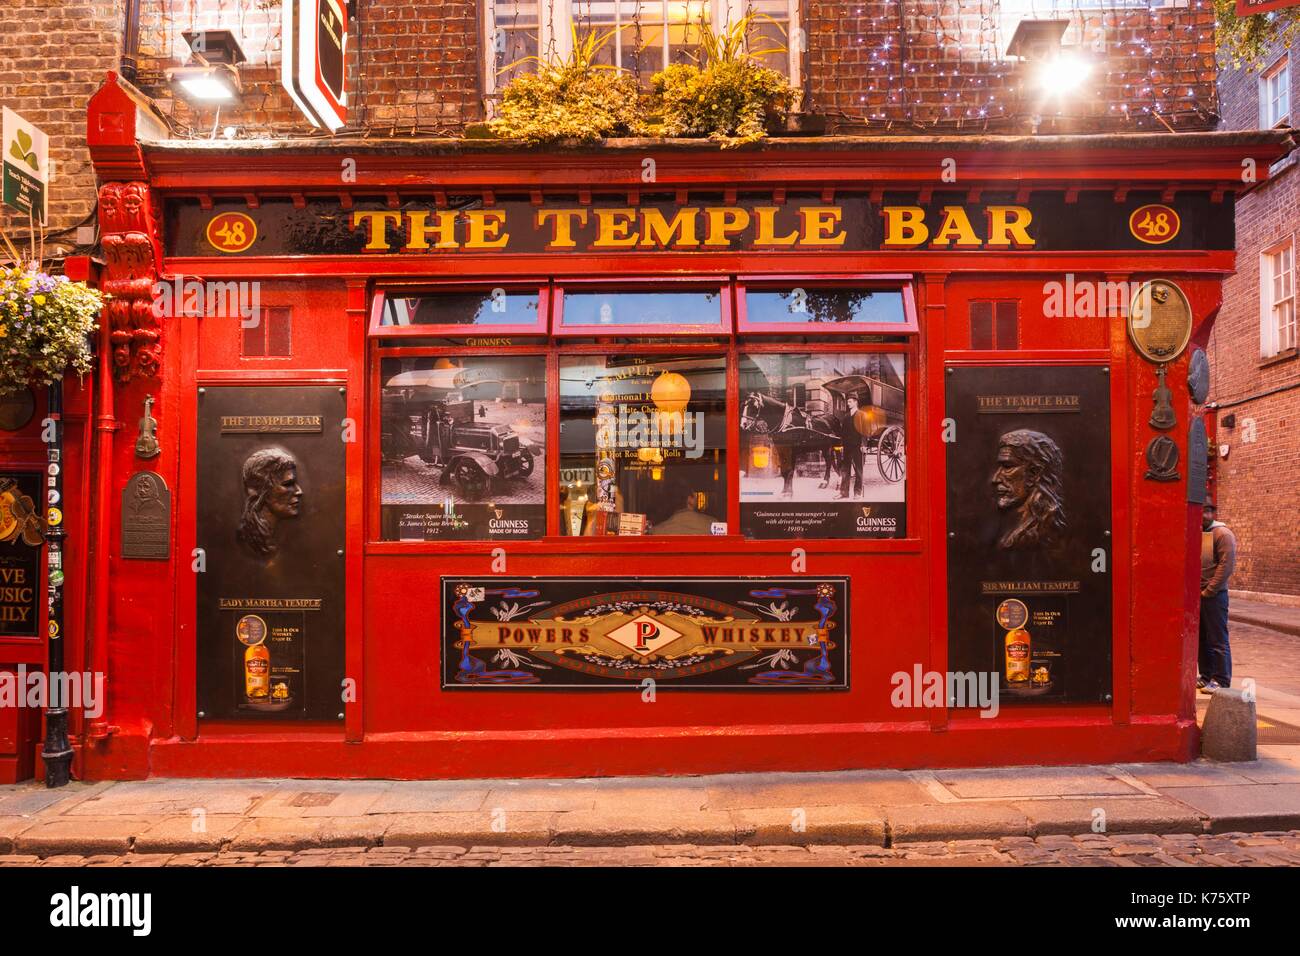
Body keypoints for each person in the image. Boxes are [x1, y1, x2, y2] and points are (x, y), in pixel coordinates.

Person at [1199, 501, 1237, 693]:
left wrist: (1209, 590)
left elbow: (1225, 566)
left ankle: (1221, 679)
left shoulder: (1222, 534)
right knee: (1202, 638)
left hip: (1215, 595)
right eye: (1201, 512)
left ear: (1212, 514)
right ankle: (1206, 675)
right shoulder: (1203, 533)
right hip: (1200, 594)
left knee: (1217, 639)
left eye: (1207, 512)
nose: (1204, 516)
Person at [650, 486, 716, 535]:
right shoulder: (712, 525)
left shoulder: (656, 531)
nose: (696, 499)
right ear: (690, 499)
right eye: (695, 496)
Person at [835, 395, 864, 500]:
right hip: (847, 447)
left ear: (855, 402)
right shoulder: (846, 417)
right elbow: (843, 433)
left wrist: (863, 445)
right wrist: (842, 445)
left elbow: (864, 431)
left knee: (858, 470)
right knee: (845, 470)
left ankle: (858, 493)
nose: (848, 403)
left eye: (850, 402)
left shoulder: (861, 415)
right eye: (848, 402)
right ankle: (844, 493)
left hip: (857, 447)